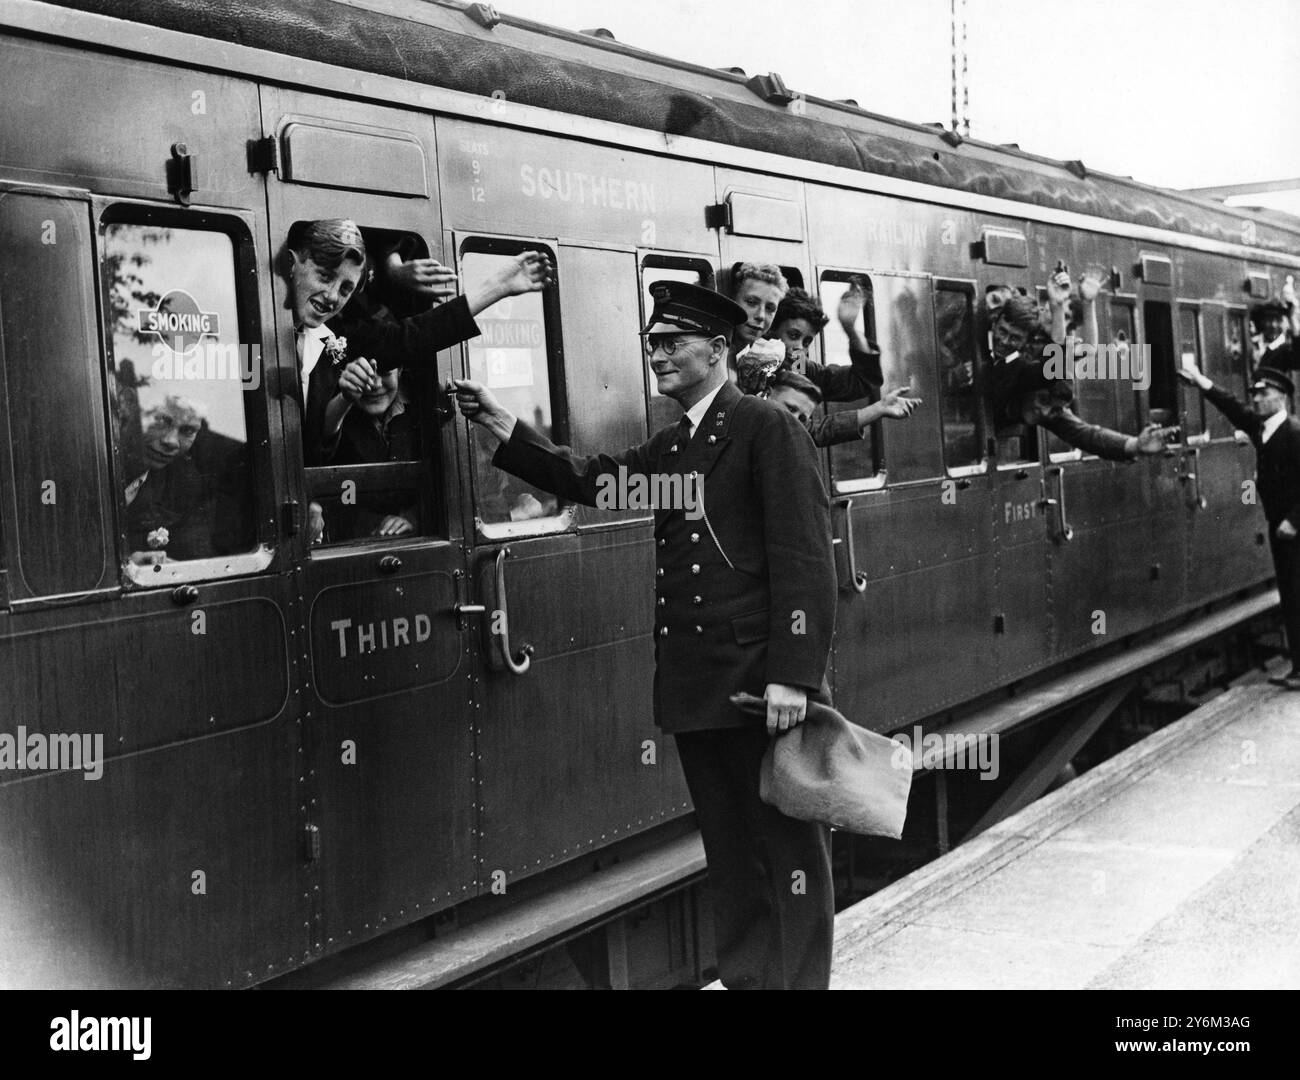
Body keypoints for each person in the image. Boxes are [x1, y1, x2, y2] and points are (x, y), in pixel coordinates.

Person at [453, 280, 839, 990]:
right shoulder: (675, 448)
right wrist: (506, 429)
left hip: (760, 683)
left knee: (782, 853)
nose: (656, 355)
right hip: (700, 684)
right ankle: (756, 982)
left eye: (671, 343)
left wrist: (795, 673)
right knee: (730, 853)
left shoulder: (764, 429)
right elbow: (598, 483)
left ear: (717, 350)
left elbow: (805, 557)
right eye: (652, 344)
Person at [282, 219, 552, 465]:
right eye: (324, 276)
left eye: (345, 289)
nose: (331, 296)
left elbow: (415, 334)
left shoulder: (337, 338)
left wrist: (498, 287)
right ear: (292, 264)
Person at [1179, 362, 1300, 689]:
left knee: (1297, 594)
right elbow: (1232, 406)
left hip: (1293, 528)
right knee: (1290, 595)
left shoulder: (1294, 432)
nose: (1257, 400)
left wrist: (1293, 520)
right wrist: (1202, 381)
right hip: (1281, 527)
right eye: (1256, 394)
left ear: (1283, 398)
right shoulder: (1263, 430)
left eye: (1265, 394)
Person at [985, 270, 1174, 461]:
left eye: (1015, 337)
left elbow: (1085, 434)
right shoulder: (1023, 367)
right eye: (1003, 332)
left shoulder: (1049, 394)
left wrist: (1134, 445)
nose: (1043, 412)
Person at [316, 360, 421, 539]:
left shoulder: (421, 409)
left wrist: (413, 519)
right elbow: (321, 444)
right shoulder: (333, 411)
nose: (375, 385)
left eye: (386, 371)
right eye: (366, 374)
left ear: (400, 370)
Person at [123, 393, 211, 562]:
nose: (171, 441)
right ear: (130, 418)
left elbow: (194, 560)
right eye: (161, 421)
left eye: (188, 430)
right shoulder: (84, 469)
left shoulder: (184, 485)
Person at [766, 368, 922, 440]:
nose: (799, 347)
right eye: (791, 408)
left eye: (801, 419)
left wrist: (879, 409)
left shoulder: (797, 360)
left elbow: (815, 430)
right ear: (766, 393)